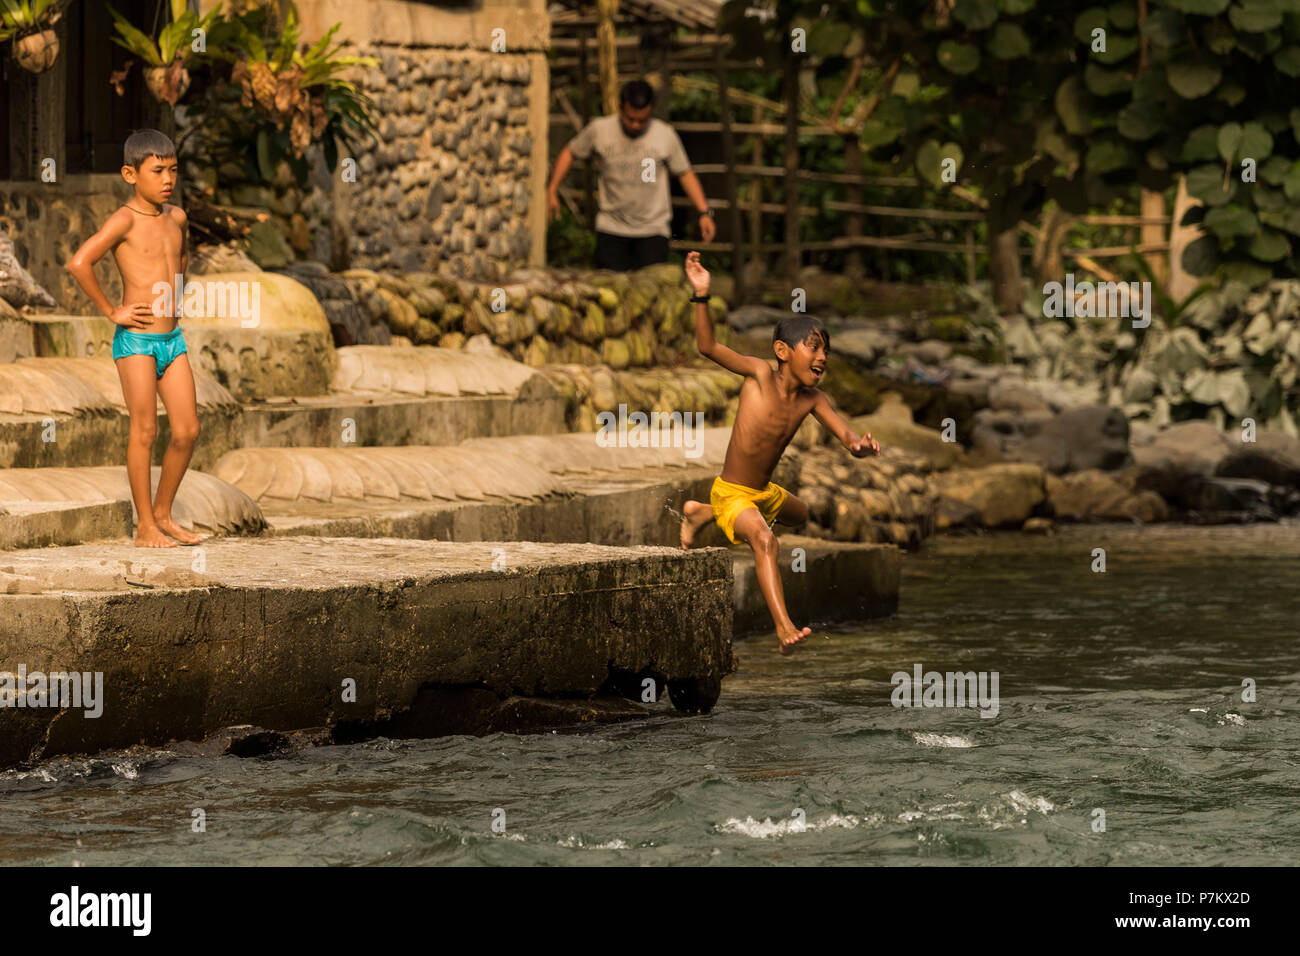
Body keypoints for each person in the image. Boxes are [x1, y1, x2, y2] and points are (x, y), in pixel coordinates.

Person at [677, 252, 881, 654]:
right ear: (783, 352)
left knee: (802, 514)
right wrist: (701, 295)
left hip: (763, 491)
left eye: (825, 351)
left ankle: (699, 513)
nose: (822, 357)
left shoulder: (812, 399)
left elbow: (847, 436)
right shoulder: (757, 375)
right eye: (813, 348)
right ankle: (784, 628)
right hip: (733, 492)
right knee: (766, 542)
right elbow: (707, 346)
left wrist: (861, 446)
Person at [66, 129, 203, 548]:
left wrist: (176, 302)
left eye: (173, 170)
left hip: (171, 340)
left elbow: (180, 259)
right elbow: (79, 262)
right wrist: (112, 311)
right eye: (157, 170)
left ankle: (164, 513)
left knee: (187, 430)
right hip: (138, 342)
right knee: (144, 430)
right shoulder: (124, 219)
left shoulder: (176, 217)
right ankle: (144, 525)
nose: (168, 179)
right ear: (130, 173)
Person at [547, 79, 716, 271]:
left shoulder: (665, 135)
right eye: (630, 119)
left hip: (653, 231)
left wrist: (704, 213)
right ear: (620, 108)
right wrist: (552, 189)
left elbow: (685, 173)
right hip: (611, 229)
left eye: (642, 120)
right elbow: (571, 151)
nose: (635, 125)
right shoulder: (600, 130)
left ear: (651, 111)